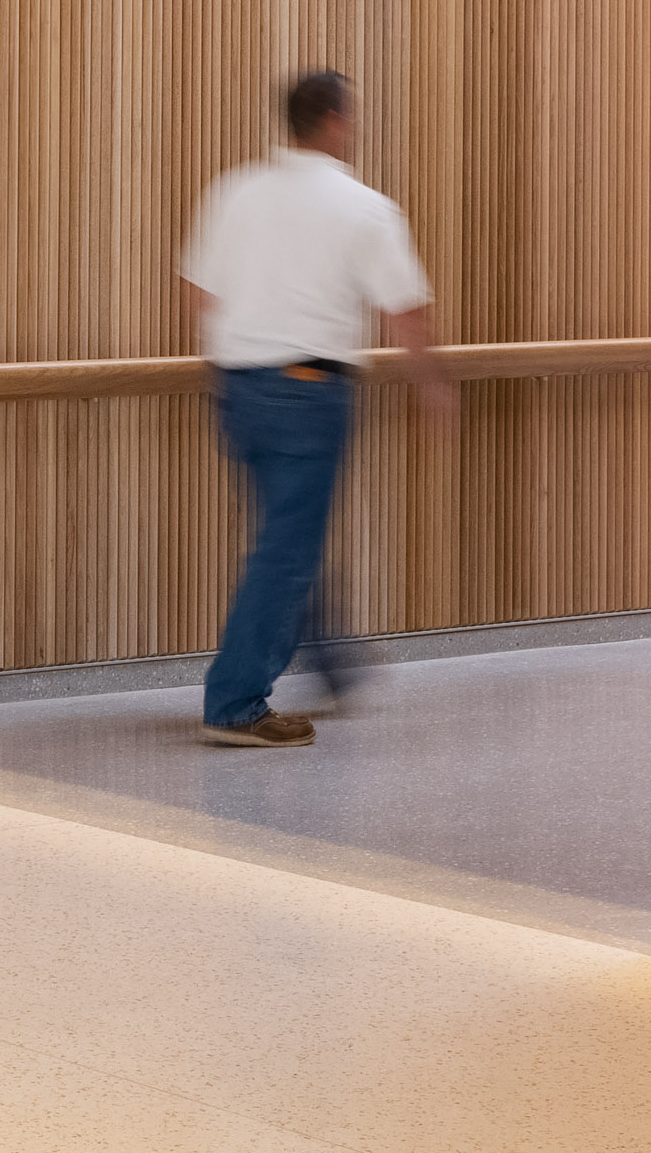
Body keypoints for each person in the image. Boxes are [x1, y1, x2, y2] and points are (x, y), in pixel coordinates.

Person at [179, 67, 450, 747]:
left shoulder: (234, 191)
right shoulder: (362, 206)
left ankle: (332, 661)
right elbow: (405, 310)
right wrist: (432, 382)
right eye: (350, 118)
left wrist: (234, 355)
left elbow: (198, 291)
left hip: (240, 385)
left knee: (285, 535)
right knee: (286, 551)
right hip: (307, 391)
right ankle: (235, 702)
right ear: (333, 119)